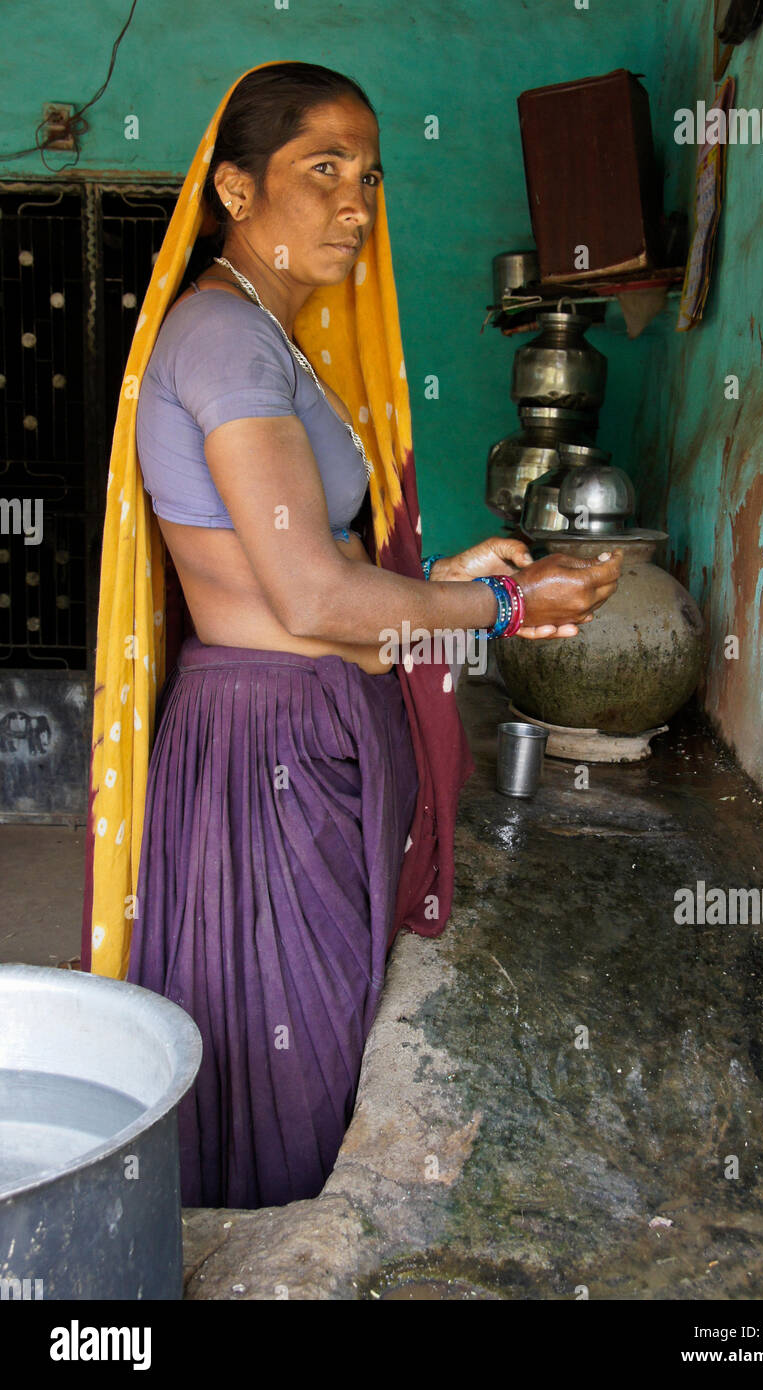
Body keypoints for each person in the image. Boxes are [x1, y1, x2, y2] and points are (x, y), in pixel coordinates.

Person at [81, 60, 622, 1209]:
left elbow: (309, 565)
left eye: (368, 173)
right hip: (267, 743)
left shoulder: (274, 344)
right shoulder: (224, 340)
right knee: (288, 1049)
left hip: (301, 727)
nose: (355, 204)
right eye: (319, 168)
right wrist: (510, 609)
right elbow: (314, 600)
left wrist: (436, 578)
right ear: (233, 187)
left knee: (316, 1032)